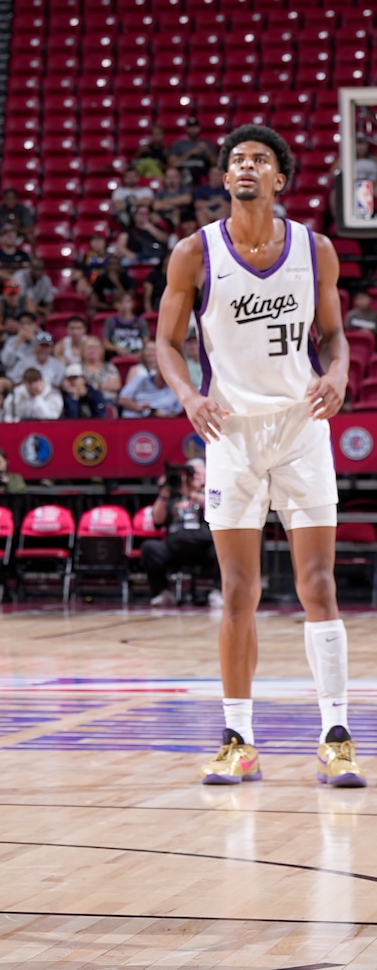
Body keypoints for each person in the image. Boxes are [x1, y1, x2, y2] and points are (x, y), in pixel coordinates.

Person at [155, 123, 363, 788]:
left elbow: (334, 338)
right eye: (237, 158)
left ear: (279, 178)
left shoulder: (316, 249)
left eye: (260, 159)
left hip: (301, 428)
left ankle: (336, 736)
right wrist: (187, 392)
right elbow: (165, 341)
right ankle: (239, 739)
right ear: (226, 177)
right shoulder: (194, 252)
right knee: (238, 592)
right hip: (232, 436)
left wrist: (337, 374)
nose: (246, 165)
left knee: (318, 586)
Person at [142, 461, 218, 609]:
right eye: (191, 473)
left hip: (204, 549)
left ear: (206, 476)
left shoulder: (212, 492)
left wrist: (191, 494)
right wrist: (164, 492)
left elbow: (214, 507)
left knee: (223, 548)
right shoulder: (174, 496)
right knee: (150, 548)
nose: (194, 477)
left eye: (198, 473)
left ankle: (217, 592)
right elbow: (157, 519)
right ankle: (163, 592)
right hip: (175, 549)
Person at [118, 342, 181, 418]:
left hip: (163, 423)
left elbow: (176, 413)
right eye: (162, 371)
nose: (164, 376)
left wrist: (165, 415)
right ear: (157, 370)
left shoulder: (176, 388)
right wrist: (139, 408)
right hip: (137, 419)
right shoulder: (140, 380)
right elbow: (122, 400)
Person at [0, 187, 36, 254]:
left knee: (30, 236)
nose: (10, 201)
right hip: (1, 235)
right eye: (8, 198)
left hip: (18, 236)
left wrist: (18, 229)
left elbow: (30, 228)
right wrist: (1, 230)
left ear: (16, 200)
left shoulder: (23, 210)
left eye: (12, 198)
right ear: (4, 200)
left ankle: (33, 258)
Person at [169, 115, 219, 183]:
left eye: (195, 127)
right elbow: (172, 163)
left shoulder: (207, 144)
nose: (193, 130)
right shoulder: (178, 144)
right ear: (186, 129)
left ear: (199, 128)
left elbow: (216, 163)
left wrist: (207, 151)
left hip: (201, 172)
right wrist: (190, 153)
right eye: (190, 127)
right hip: (183, 172)